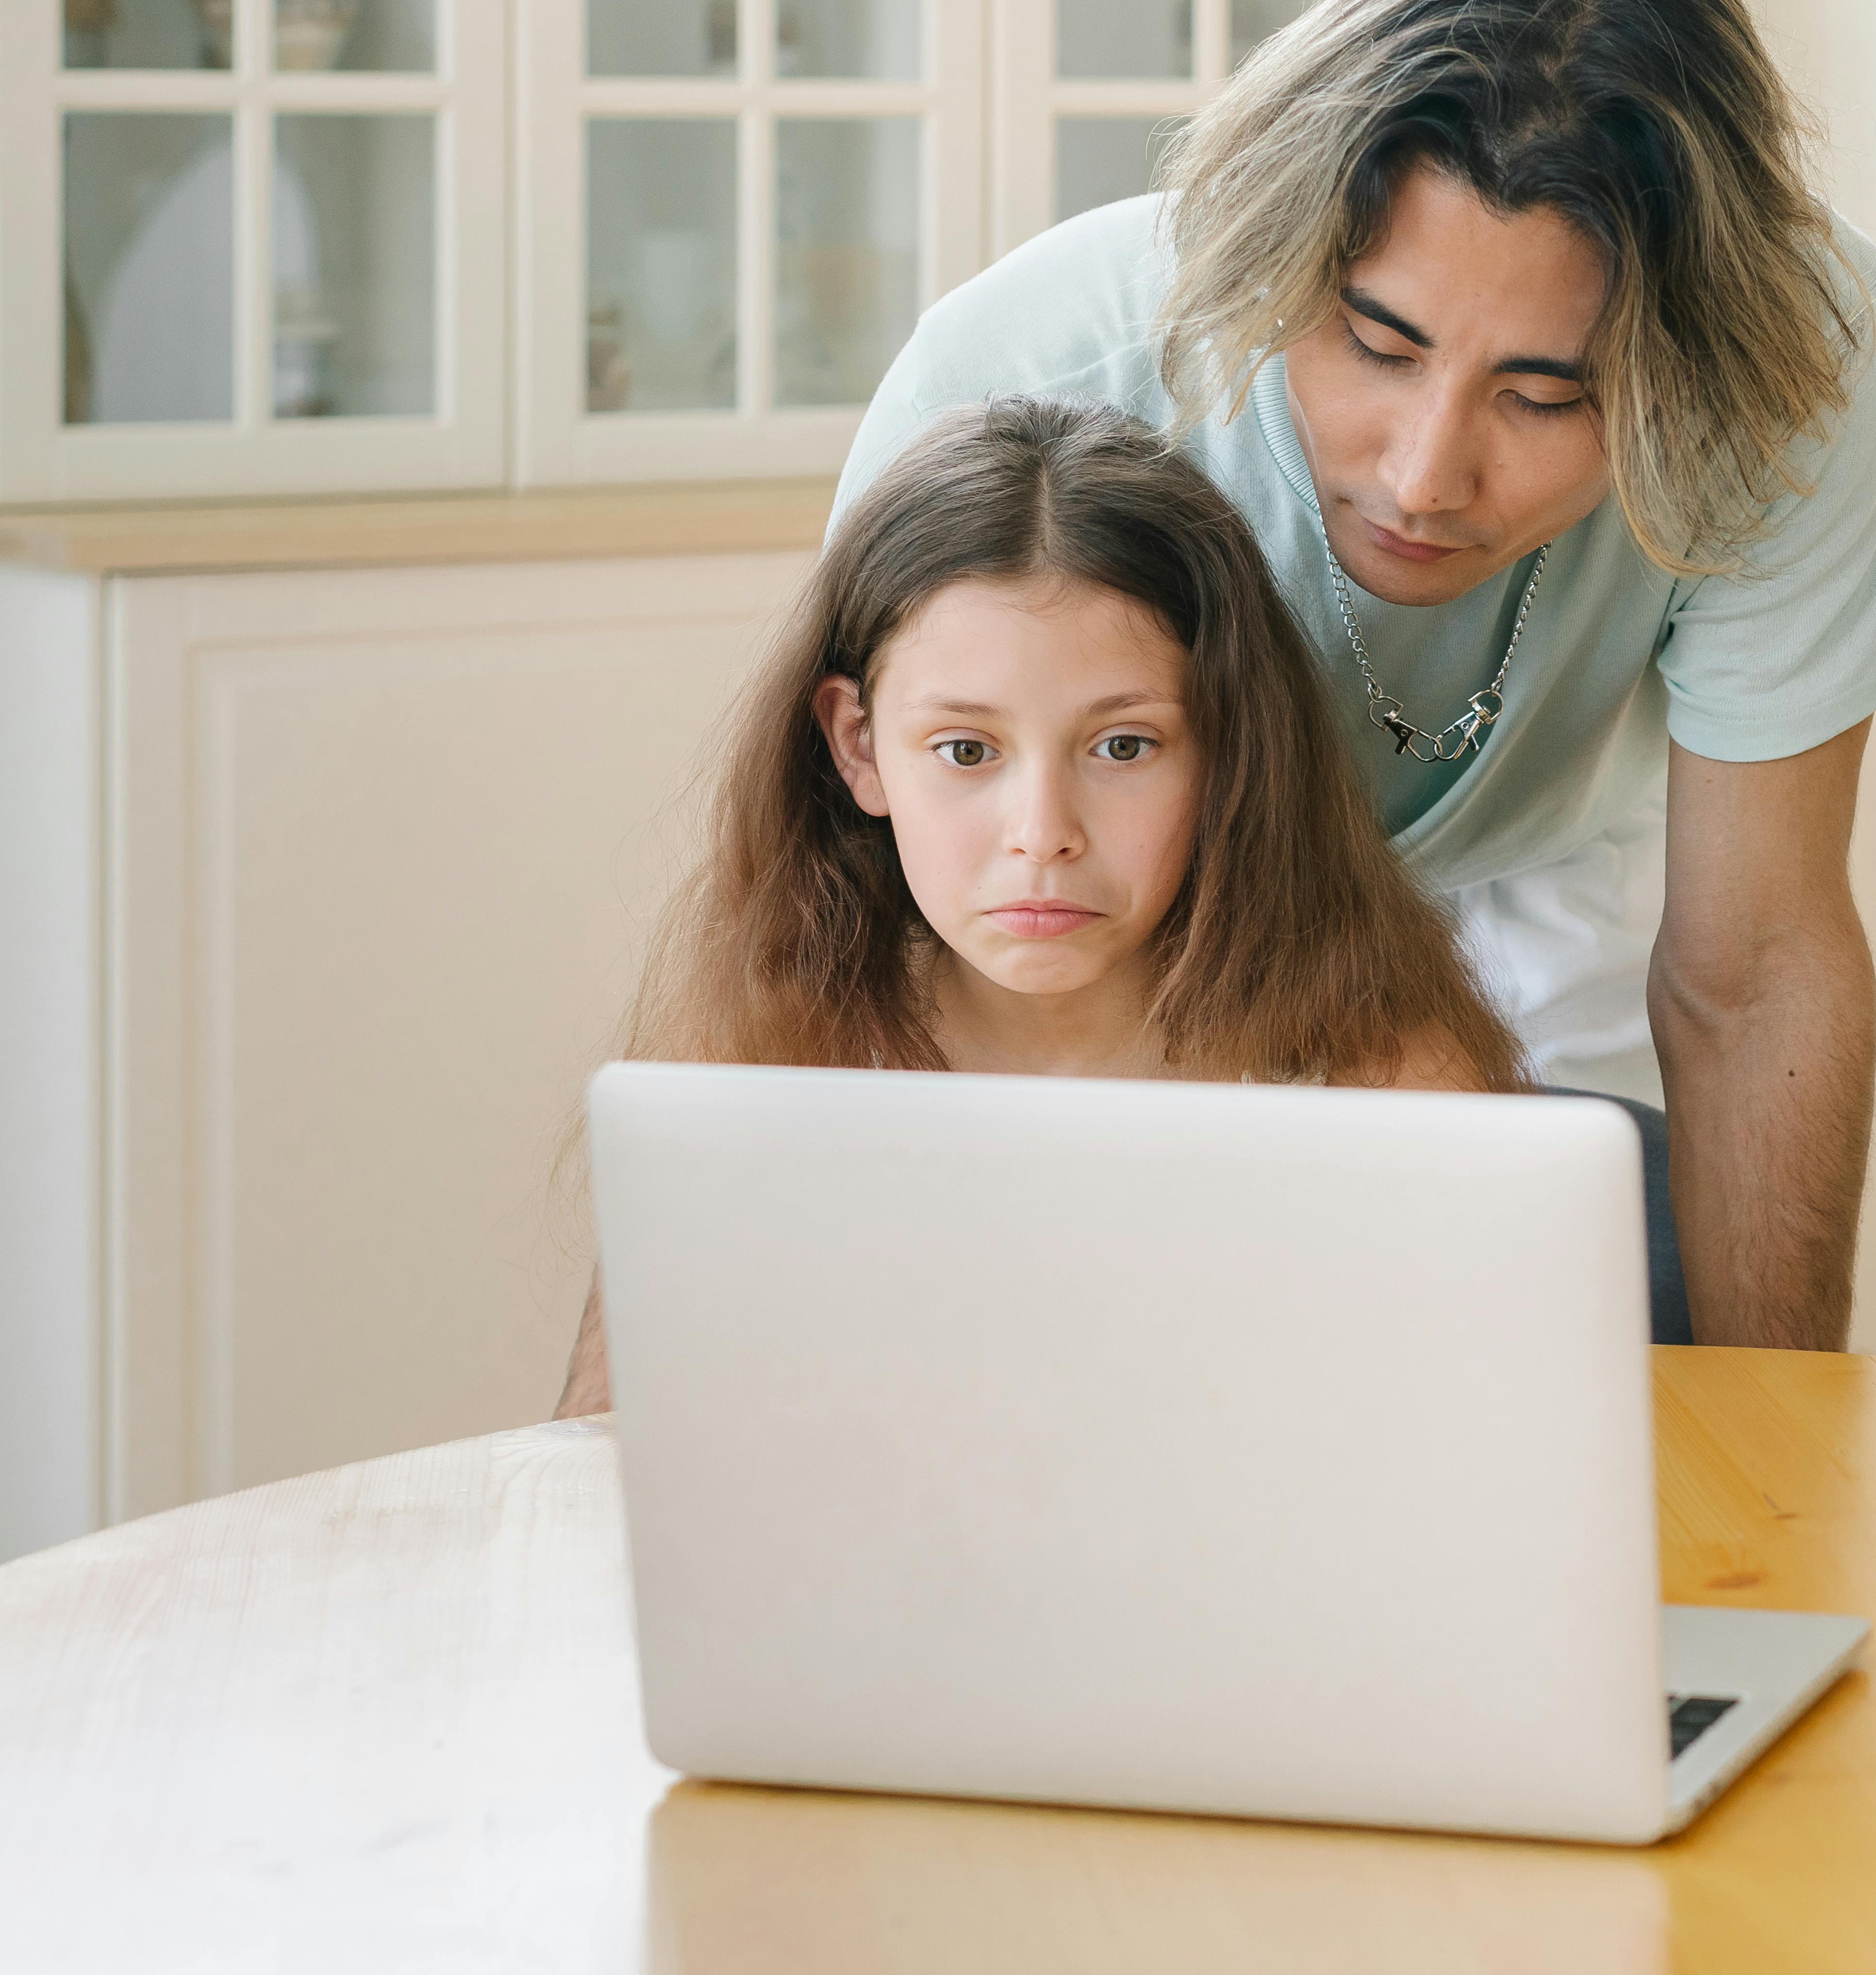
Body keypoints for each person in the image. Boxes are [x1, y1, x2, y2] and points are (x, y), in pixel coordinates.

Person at [833, 0, 1876, 1349]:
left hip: (1555, 857)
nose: (1426, 478)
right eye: (1375, 345)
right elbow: (826, 930)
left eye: (1547, 395)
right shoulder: (1036, 371)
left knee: (1591, 1319)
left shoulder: (1786, 366)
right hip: (1137, 900)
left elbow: (1754, 963)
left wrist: (1787, 1463)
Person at [558, 397, 1525, 1416]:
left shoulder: (1381, 1087)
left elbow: (1487, 1450)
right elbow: (598, 1465)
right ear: (856, 745)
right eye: (967, 752)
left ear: (1229, 747)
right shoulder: (758, 1068)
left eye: (1123, 747)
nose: (1043, 832)